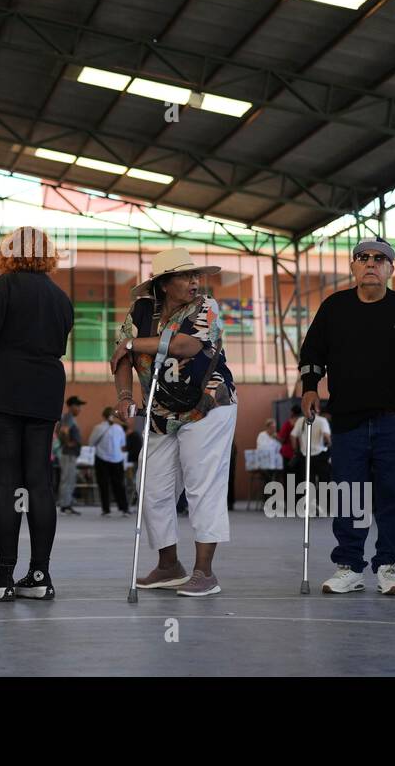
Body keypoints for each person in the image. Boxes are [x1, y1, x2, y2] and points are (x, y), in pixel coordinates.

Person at [299, 237, 395, 597]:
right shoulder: (334, 308)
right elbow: (312, 351)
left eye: (380, 259)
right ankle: (349, 566)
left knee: (394, 496)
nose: (371, 264)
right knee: (350, 496)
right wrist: (310, 387)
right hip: (348, 422)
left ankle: (389, 566)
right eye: (362, 258)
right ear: (353, 267)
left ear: (391, 269)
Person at [113, 248, 238, 598]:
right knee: (152, 487)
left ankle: (205, 572)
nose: (195, 282)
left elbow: (185, 346)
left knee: (202, 484)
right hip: (161, 410)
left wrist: (133, 342)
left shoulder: (205, 307)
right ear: (165, 284)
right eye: (186, 276)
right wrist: (124, 396)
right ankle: (169, 565)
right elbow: (120, 358)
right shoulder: (139, 312)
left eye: (196, 276)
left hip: (208, 405)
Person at [0, 226, 75, 601]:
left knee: (6, 482)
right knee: (39, 482)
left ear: (7, 252)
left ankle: (4, 577)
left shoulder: (4, 286)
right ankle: (40, 575)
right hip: (45, 388)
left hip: (3, 388)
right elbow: (59, 343)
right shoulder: (60, 297)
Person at [90, 407, 130, 516]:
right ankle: (124, 508)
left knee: (103, 484)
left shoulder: (98, 428)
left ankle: (106, 509)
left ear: (103, 416)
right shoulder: (119, 428)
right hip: (117, 459)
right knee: (119, 484)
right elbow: (123, 445)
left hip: (101, 458)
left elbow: (91, 442)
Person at [291, 407, 332, 513]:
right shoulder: (322, 421)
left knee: (309, 482)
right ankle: (322, 505)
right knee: (324, 481)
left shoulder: (301, 420)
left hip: (305, 455)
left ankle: (310, 506)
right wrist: (329, 446)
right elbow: (327, 436)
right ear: (317, 411)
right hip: (320, 454)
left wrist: (296, 450)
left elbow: (293, 436)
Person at [56, 396, 86, 515]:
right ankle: (65, 505)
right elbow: (63, 431)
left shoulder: (68, 417)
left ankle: (66, 503)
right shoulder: (68, 417)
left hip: (69, 453)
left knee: (69, 479)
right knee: (67, 479)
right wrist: (68, 442)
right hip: (68, 453)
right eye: (78, 406)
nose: (80, 409)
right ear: (72, 406)